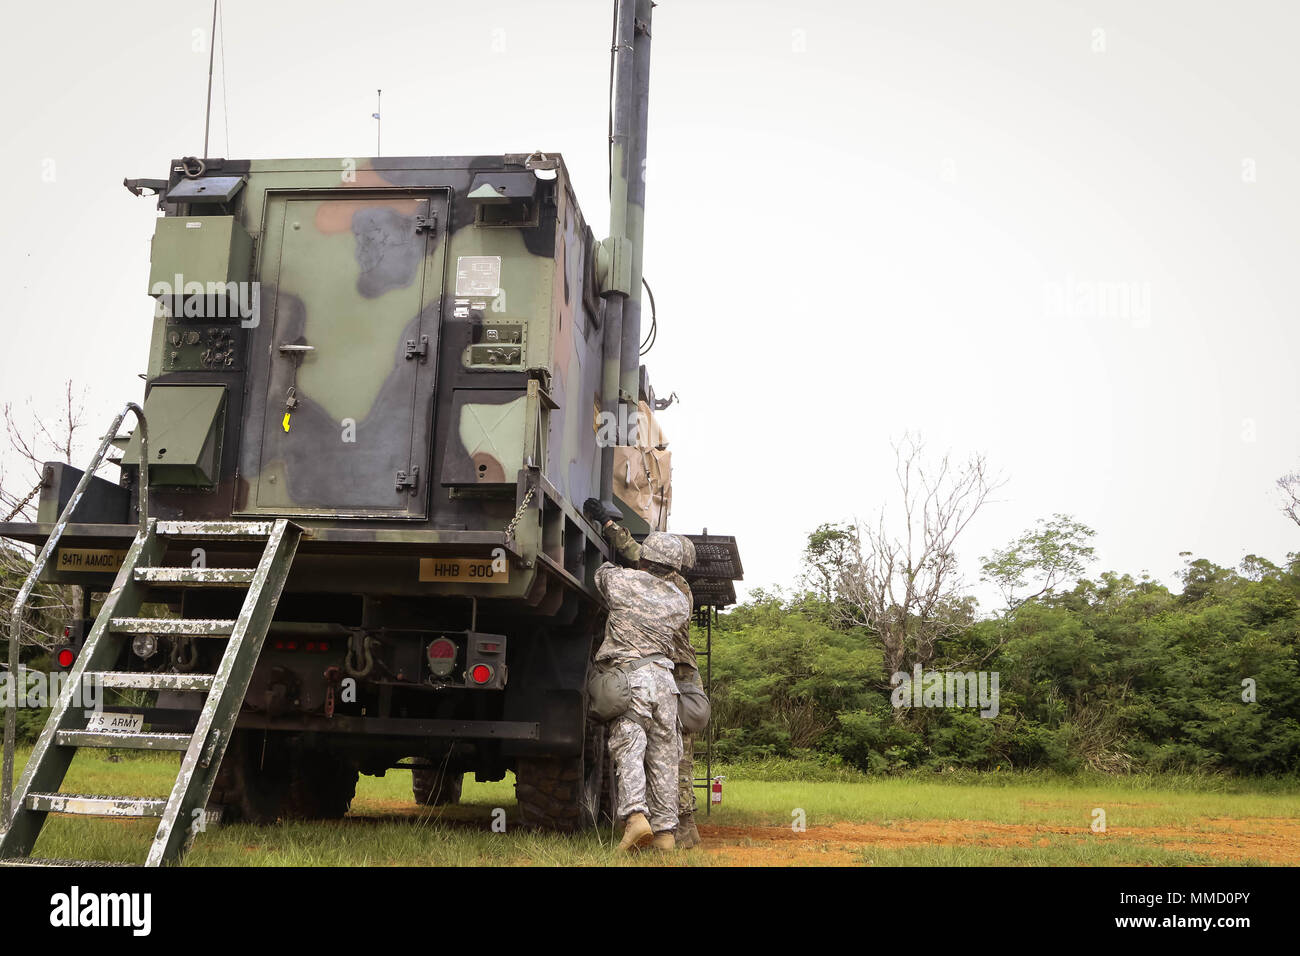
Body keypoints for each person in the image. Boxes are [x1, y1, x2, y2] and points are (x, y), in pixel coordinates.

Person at [586, 501, 703, 849]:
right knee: (666, 755)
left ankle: (636, 816)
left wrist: (607, 527)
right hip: (667, 682)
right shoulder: (680, 599)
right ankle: (668, 834)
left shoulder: (623, 583)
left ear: (646, 560)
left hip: (632, 678)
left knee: (629, 745)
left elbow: (605, 573)